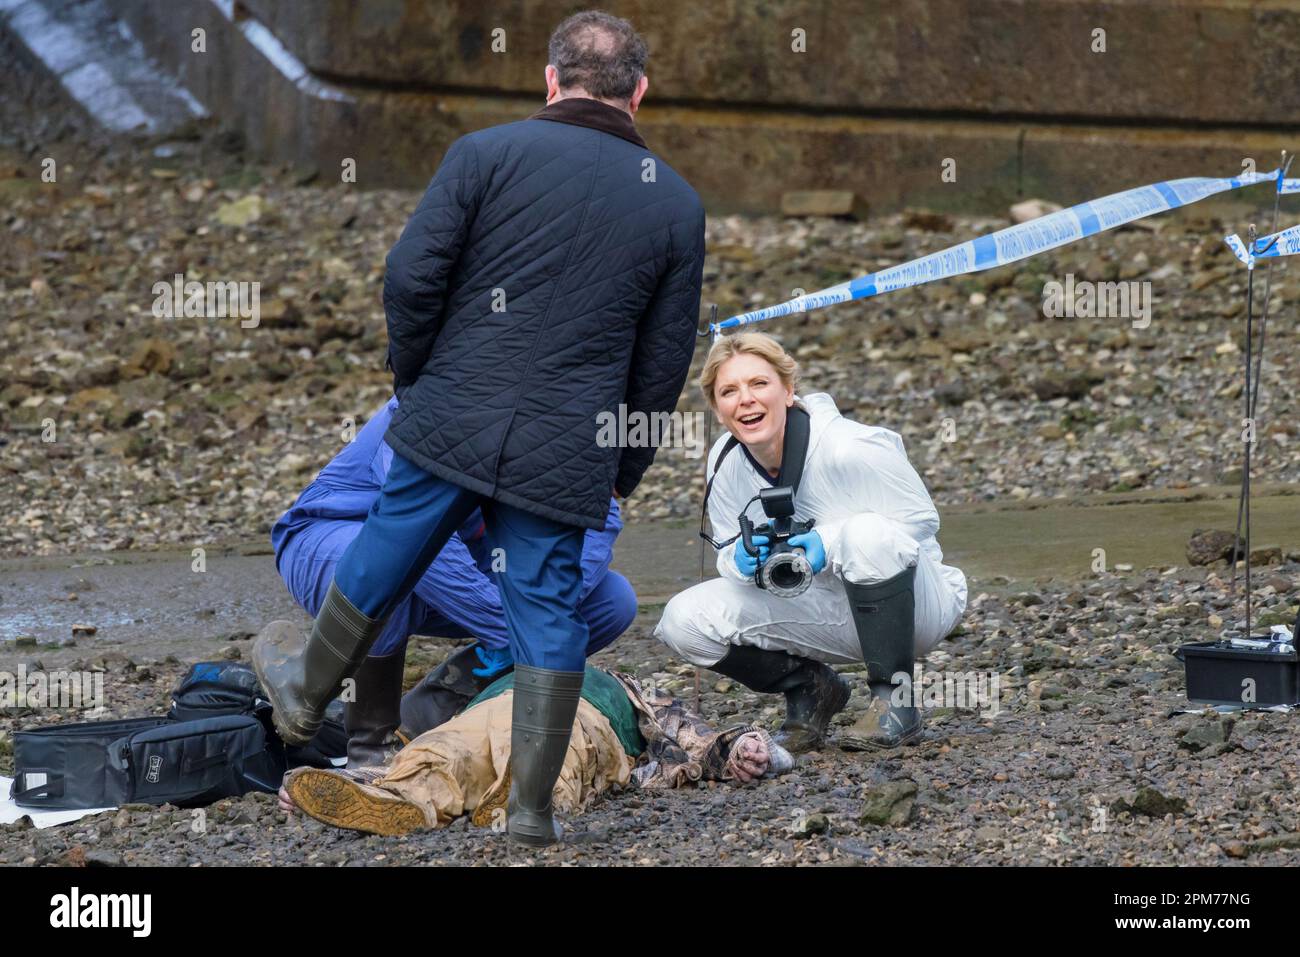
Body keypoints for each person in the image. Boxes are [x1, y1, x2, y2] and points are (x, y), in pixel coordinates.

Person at [252, 10, 706, 847]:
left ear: (549, 79)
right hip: (568, 439)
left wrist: (421, 376)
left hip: (456, 408)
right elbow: (662, 363)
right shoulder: (674, 204)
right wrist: (625, 465)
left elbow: (409, 276)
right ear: (639, 92)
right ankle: (531, 809)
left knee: (391, 542)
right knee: (545, 606)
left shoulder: (484, 154)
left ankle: (310, 690)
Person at [270, 395, 638, 767]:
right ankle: (369, 747)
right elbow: (411, 529)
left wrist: (540, 616)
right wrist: (512, 628)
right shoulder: (428, 402)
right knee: (389, 568)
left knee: (611, 601)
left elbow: (599, 521)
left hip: (450, 556)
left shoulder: (558, 415)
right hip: (331, 539)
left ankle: (429, 712)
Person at [655, 332, 967, 752]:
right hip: (823, 610)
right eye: (729, 391)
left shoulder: (849, 446)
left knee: (866, 534)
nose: (745, 399)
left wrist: (828, 539)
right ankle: (812, 689)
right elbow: (727, 548)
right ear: (717, 407)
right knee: (683, 620)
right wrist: (739, 559)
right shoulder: (724, 461)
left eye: (759, 384)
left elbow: (920, 521)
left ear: (788, 390)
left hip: (913, 608)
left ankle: (895, 701)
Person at [278, 663, 793, 837]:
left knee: (546, 747)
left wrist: (741, 745)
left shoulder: (619, 682)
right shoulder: (498, 671)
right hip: (491, 709)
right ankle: (395, 800)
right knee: (439, 752)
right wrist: (340, 783)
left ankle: (525, 793)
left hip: (577, 716)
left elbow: (688, 734)